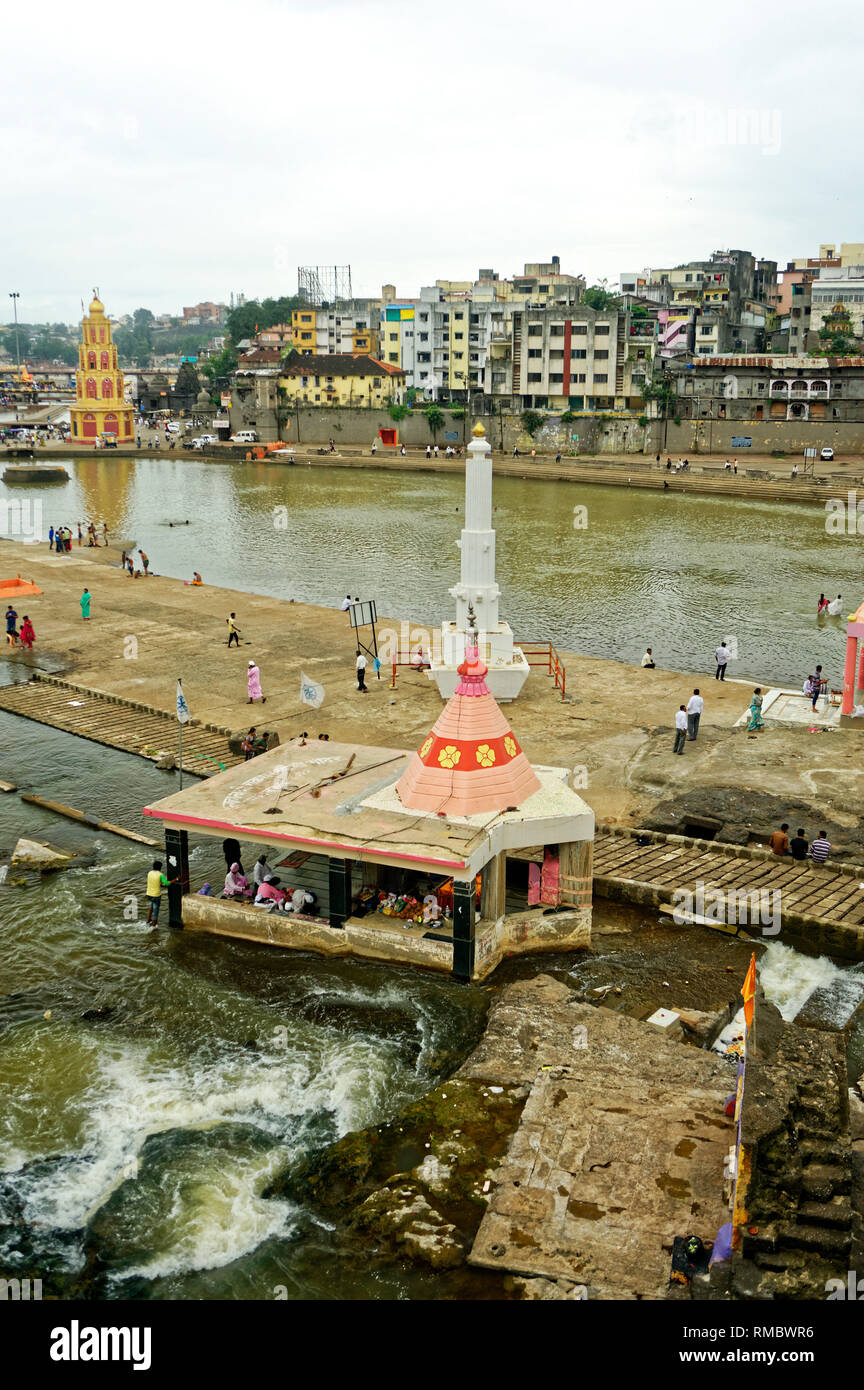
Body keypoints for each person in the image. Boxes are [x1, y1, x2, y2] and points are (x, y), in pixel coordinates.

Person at [145, 859, 171, 924]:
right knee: (156, 911)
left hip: (149, 894)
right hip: (156, 895)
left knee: (151, 908)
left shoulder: (149, 873)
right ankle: (154, 926)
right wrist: (176, 879)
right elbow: (167, 883)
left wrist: (162, 885)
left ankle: (148, 920)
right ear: (160, 867)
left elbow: (156, 883)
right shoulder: (160, 875)